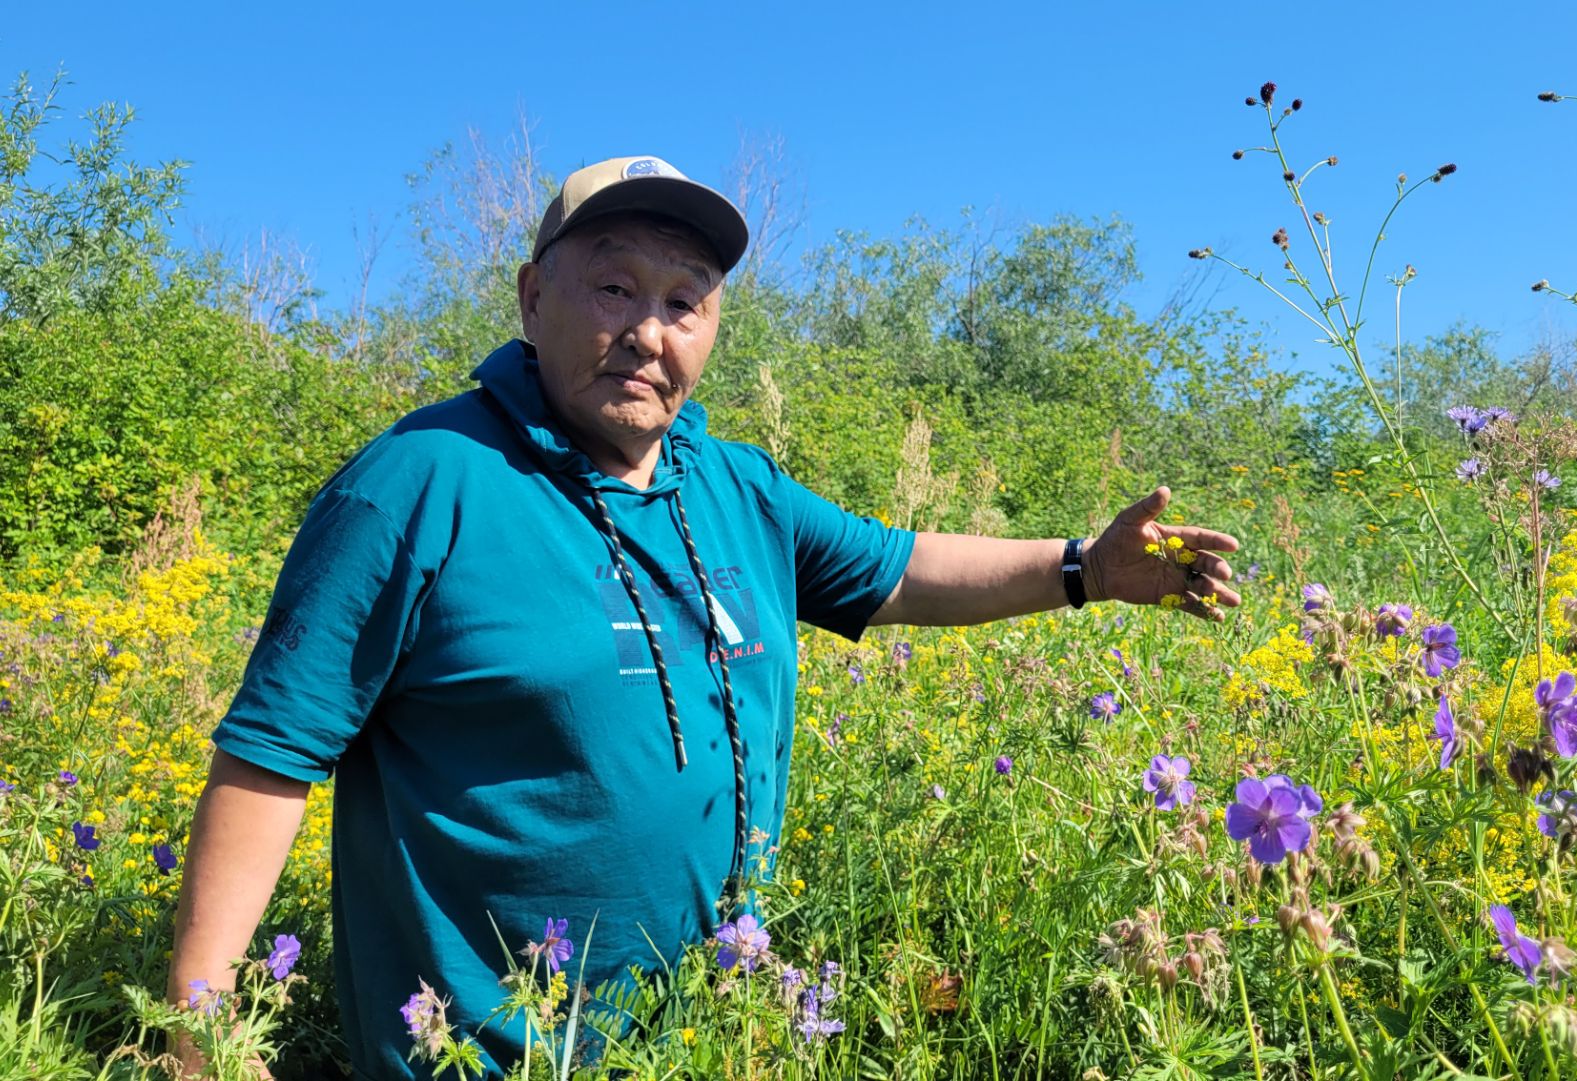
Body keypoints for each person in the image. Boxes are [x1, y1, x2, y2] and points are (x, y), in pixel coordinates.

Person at [165, 156, 1241, 1077]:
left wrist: (1083, 569)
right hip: (482, 1053)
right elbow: (270, 756)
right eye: (614, 287)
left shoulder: (734, 488)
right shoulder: (421, 483)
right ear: (533, 296)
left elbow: (903, 569)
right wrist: (199, 1027)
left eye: (685, 301)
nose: (648, 331)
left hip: (708, 1034)